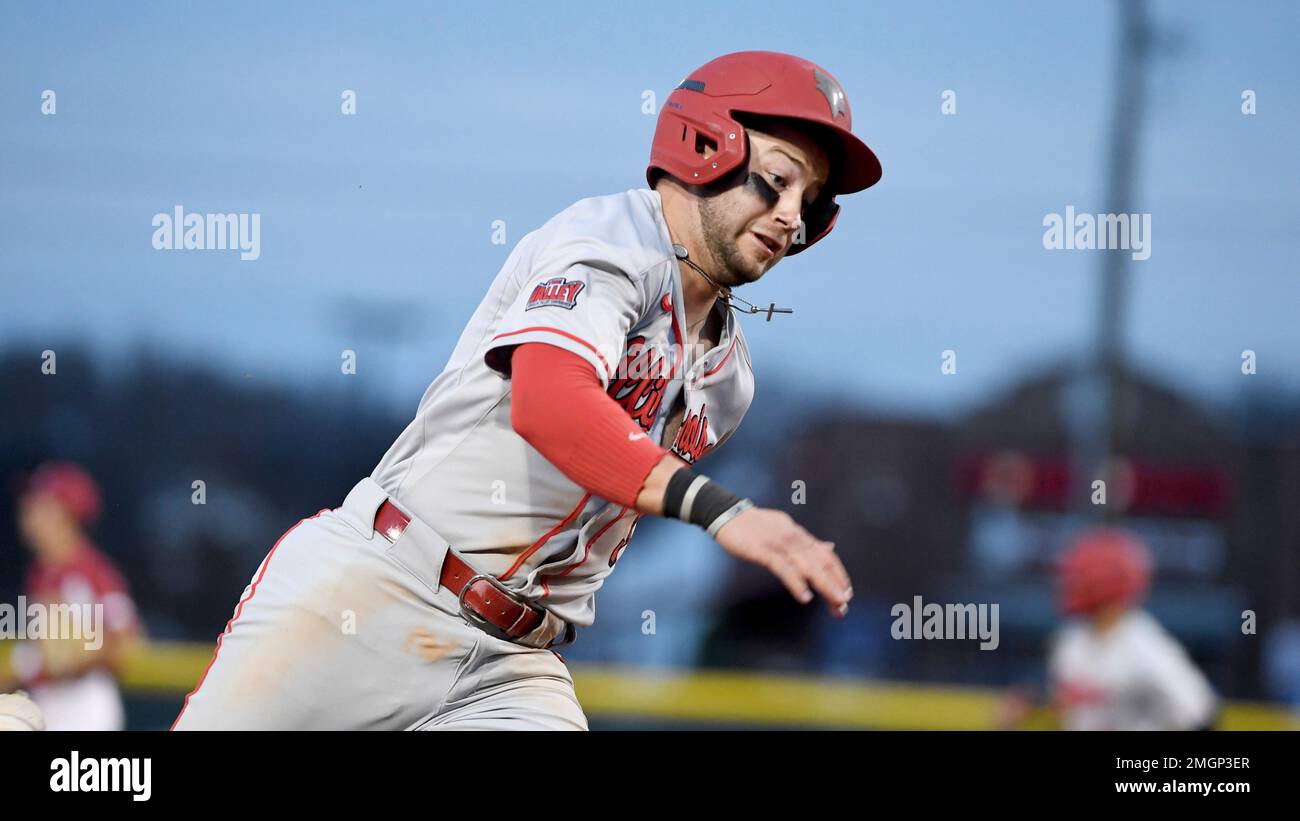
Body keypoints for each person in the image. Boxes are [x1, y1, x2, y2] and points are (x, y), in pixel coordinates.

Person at [173, 50, 882, 730]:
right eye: (779, 180)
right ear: (705, 145)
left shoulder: (729, 376)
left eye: (812, 202)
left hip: (515, 663)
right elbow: (548, 401)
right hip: (381, 591)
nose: (793, 215)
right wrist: (722, 512)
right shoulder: (611, 241)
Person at [0, 461, 141, 731]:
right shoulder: (41, 573)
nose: (27, 511)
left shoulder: (92, 571)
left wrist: (82, 655)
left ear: (64, 513)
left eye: (39, 504)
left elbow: (126, 641)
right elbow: (39, 661)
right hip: (46, 710)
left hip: (85, 716)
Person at [1047, 528, 1218, 730]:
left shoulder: (1146, 646)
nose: (1071, 583)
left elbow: (1200, 712)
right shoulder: (1071, 640)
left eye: (1080, 576)